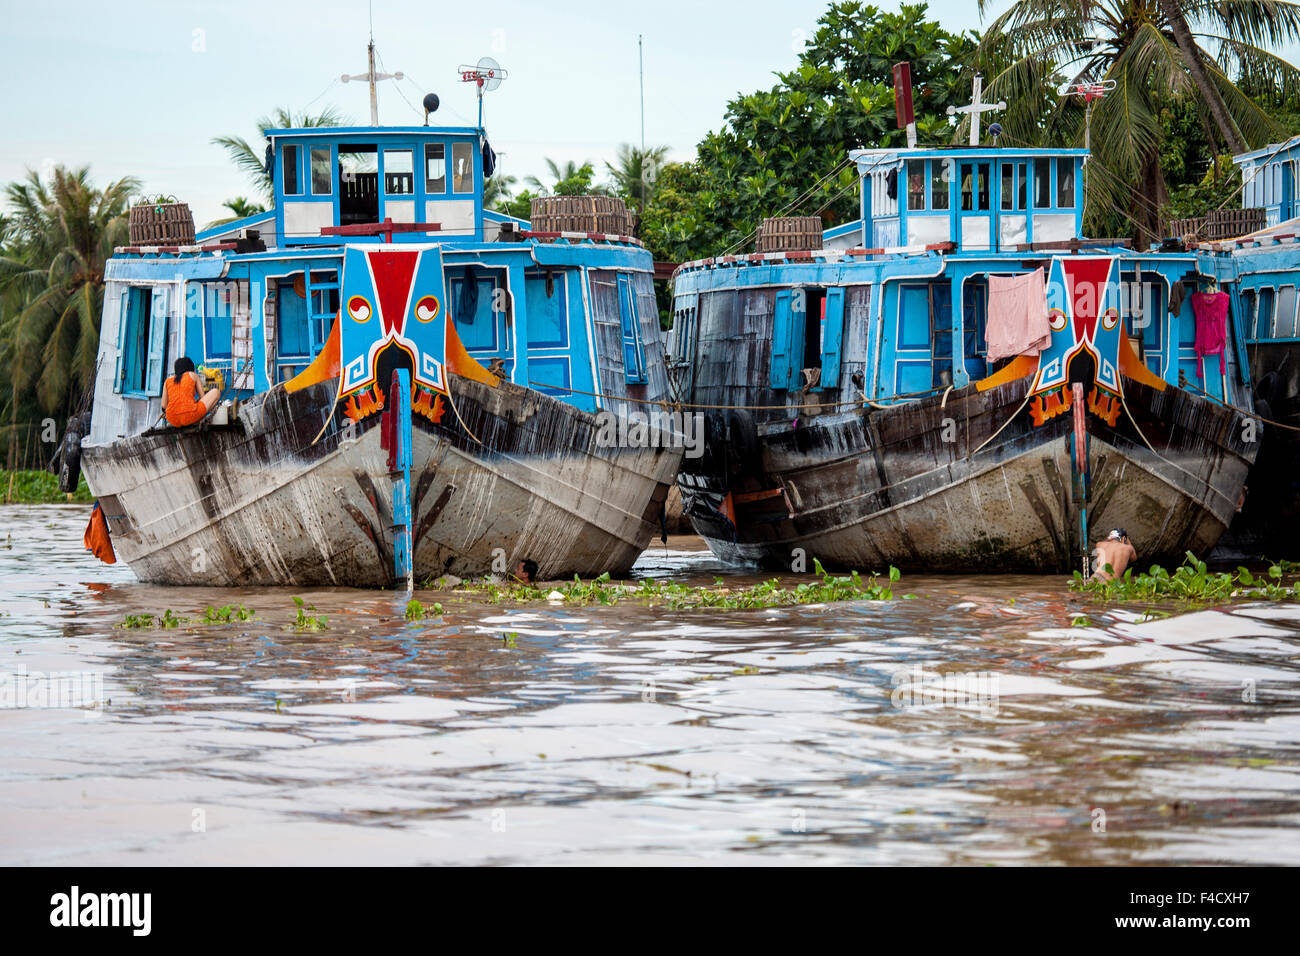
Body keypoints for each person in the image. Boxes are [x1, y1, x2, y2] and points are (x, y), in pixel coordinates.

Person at [162, 357, 220, 428]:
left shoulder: (167, 381)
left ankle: (191, 420)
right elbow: (202, 397)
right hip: (191, 416)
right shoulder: (192, 374)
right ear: (190, 367)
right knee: (216, 392)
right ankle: (198, 420)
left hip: (172, 419)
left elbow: (164, 406)